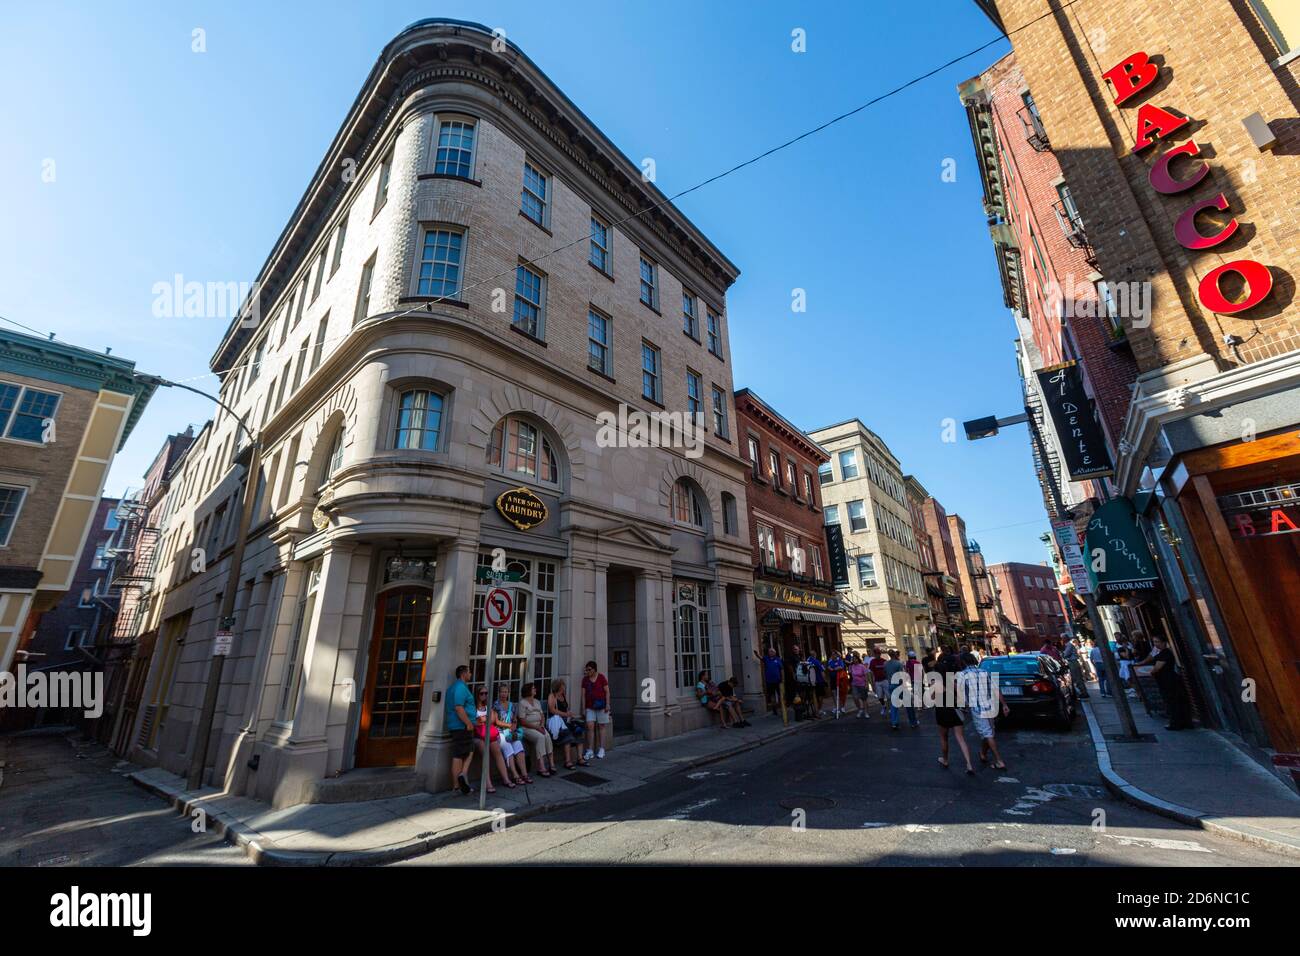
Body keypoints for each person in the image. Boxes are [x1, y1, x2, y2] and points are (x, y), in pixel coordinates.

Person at [958, 652, 1009, 771]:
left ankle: (999, 760)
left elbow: (961, 695)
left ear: (963, 662)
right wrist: (1004, 704)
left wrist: (964, 706)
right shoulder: (984, 672)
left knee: (987, 734)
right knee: (988, 732)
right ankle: (983, 753)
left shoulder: (962, 675)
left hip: (977, 709)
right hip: (990, 706)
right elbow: (995, 689)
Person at [933, 648, 974, 774]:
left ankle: (945, 760)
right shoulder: (952, 682)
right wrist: (965, 706)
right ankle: (969, 764)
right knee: (960, 738)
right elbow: (962, 698)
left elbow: (931, 698)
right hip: (954, 710)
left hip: (942, 712)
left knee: (944, 738)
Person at [1138, 635, 1192, 730]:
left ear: (1164, 642)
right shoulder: (1162, 652)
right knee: (1174, 701)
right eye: (1154, 642)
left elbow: (1158, 667)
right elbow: (1151, 658)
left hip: (1168, 680)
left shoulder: (1165, 653)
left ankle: (1176, 723)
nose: (1156, 644)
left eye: (1157, 642)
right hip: (1167, 679)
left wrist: (1150, 671)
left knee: (1172, 701)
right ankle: (1182, 722)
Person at [474, 685, 516, 792]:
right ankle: (488, 783)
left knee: (497, 751)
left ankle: (506, 779)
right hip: (478, 736)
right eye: (481, 693)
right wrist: (483, 719)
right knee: (485, 753)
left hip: (490, 734)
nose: (484, 695)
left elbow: (493, 720)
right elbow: (475, 721)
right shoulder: (474, 707)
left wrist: (483, 719)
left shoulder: (489, 707)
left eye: (486, 693)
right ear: (477, 695)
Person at [445, 664, 479, 794]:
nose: (470, 674)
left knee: (469, 749)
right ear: (463, 673)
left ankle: (462, 776)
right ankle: (458, 784)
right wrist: (468, 723)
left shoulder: (455, 687)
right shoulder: (460, 687)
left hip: (459, 725)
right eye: (469, 672)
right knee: (459, 754)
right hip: (461, 726)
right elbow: (459, 708)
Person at [492, 684, 531, 785]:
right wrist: (509, 725)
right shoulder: (495, 705)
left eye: (506, 692)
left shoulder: (512, 705)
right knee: (508, 748)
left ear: (508, 693)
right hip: (499, 732)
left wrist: (514, 724)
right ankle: (515, 775)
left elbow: (514, 719)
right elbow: (496, 721)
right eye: (502, 692)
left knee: (518, 746)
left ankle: (524, 774)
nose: (504, 694)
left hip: (510, 732)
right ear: (499, 693)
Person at [547, 679, 587, 769]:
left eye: (563, 686)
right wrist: (565, 714)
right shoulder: (552, 696)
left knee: (579, 732)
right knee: (567, 735)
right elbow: (552, 709)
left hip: (566, 721)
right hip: (558, 723)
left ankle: (580, 758)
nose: (564, 688)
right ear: (558, 687)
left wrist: (570, 714)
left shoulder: (563, 695)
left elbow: (566, 708)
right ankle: (568, 761)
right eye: (562, 687)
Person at [517, 682, 556, 777]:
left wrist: (542, 725)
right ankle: (541, 766)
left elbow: (542, 715)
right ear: (528, 690)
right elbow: (522, 721)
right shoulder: (522, 703)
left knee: (547, 736)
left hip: (539, 726)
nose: (535, 690)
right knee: (540, 737)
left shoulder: (537, 702)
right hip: (527, 728)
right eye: (533, 688)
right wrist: (537, 728)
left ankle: (551, 763)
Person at [581, 660, 611, 759]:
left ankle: (601, 749)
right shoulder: (585, 680)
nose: (587, 672)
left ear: (594, 669)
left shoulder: (601, 677)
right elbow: (583, 695)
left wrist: (607, 704)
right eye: (586, 670)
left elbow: (607, 691)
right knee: (590, 727)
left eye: (589, 670)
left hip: (601, 705)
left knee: (601, 726)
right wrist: (584, 708)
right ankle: (590, 750)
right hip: (590, 706)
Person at [755, 646, 784, 716]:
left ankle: (782, 707)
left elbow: (781, 669)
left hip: (778, 680)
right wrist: (756, 654)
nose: (770, 652)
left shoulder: (778, 659)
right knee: (772, 695)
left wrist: (782, 679)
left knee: (780, 695)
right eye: (769, 651)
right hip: (769, 681)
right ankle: (774, 709)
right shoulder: (766, 658)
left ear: (774, 653)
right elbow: (760, 658)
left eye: (771, 651)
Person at [849, 653, 872, 718]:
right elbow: (850, 675)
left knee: (864, 699)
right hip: (854, 684)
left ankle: (866, 712)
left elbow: (866, 675)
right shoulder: (851, 666)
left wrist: (867, 684)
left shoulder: (862, 666)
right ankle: (860, 709)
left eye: (855, 659)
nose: (854, 660)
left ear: (858, 659)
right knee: (855, 698)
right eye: (853, 659)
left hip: (862, 684)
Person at [869, 648, 890, 717]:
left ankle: (890, 708)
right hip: (877, 681)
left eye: (878, 653)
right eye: (876, 653)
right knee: (880, 696)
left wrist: (888, 680)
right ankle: (884, 706)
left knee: (888, 696)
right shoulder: (872, 662)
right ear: (874, 654)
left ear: (880, 654)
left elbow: (887, 671)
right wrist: (872, 684)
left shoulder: (884, 661)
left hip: (884, 680)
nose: (877, 654)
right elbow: (871, 673)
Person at [825, 650, 846, 717]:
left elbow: (841, 666)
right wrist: (830, 668)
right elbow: (828, 666)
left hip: (839, 678)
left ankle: (842, 706)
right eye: (832, 654)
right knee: (834, 692)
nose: (833, 656)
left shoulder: (839, 660)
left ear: (837, 655)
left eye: (834, 654)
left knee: (840, 692)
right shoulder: (830, 661)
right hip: (833, 678)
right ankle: (836, 706)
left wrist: (836, 668)